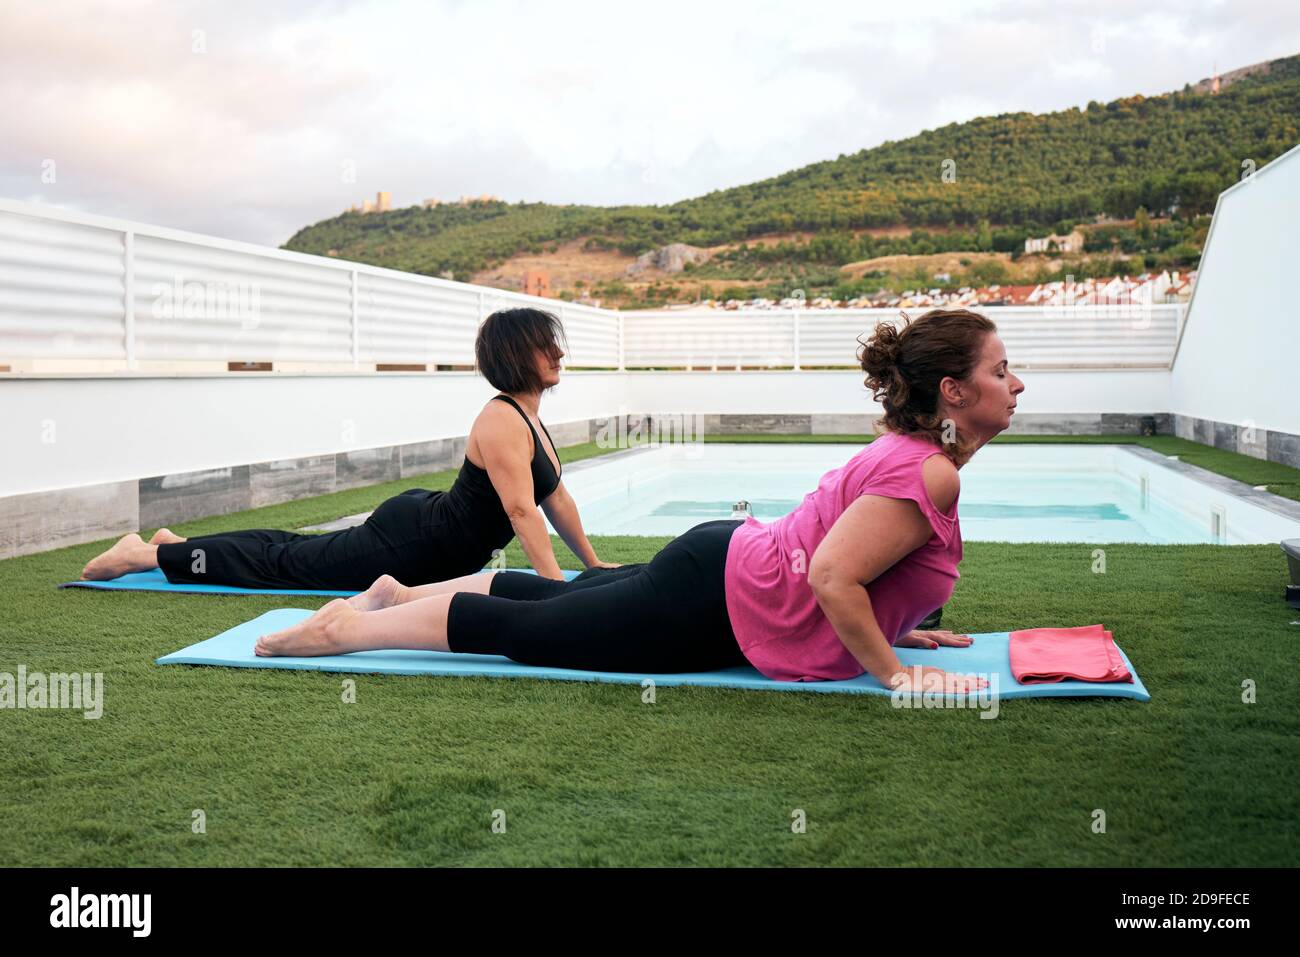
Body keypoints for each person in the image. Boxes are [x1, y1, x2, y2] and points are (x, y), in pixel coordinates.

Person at [254, 308, 1026, 691]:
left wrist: (891, 626)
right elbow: (831, 575)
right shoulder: (931, 470)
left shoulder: (914, 456)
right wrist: (892, 672)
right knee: (536, 631)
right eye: (1001, 369)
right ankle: (346, 631)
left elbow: (854, 562)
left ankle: (398, 595)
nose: (1016, 383)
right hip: (720, 598)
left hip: (723, 567)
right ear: (953, 392)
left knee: (567, 597)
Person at [79, 308, 618, 590]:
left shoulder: (530, 418)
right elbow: (521, 510)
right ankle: (145, 555)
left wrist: (590, 564)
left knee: (293, 550)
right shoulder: (501, 418)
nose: (558, 352)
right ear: (517, 356)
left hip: (427, 531)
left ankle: (180, 543)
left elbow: (556, 499)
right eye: (545, 345)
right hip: (411, 545)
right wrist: (553, 586)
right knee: (287, 561)